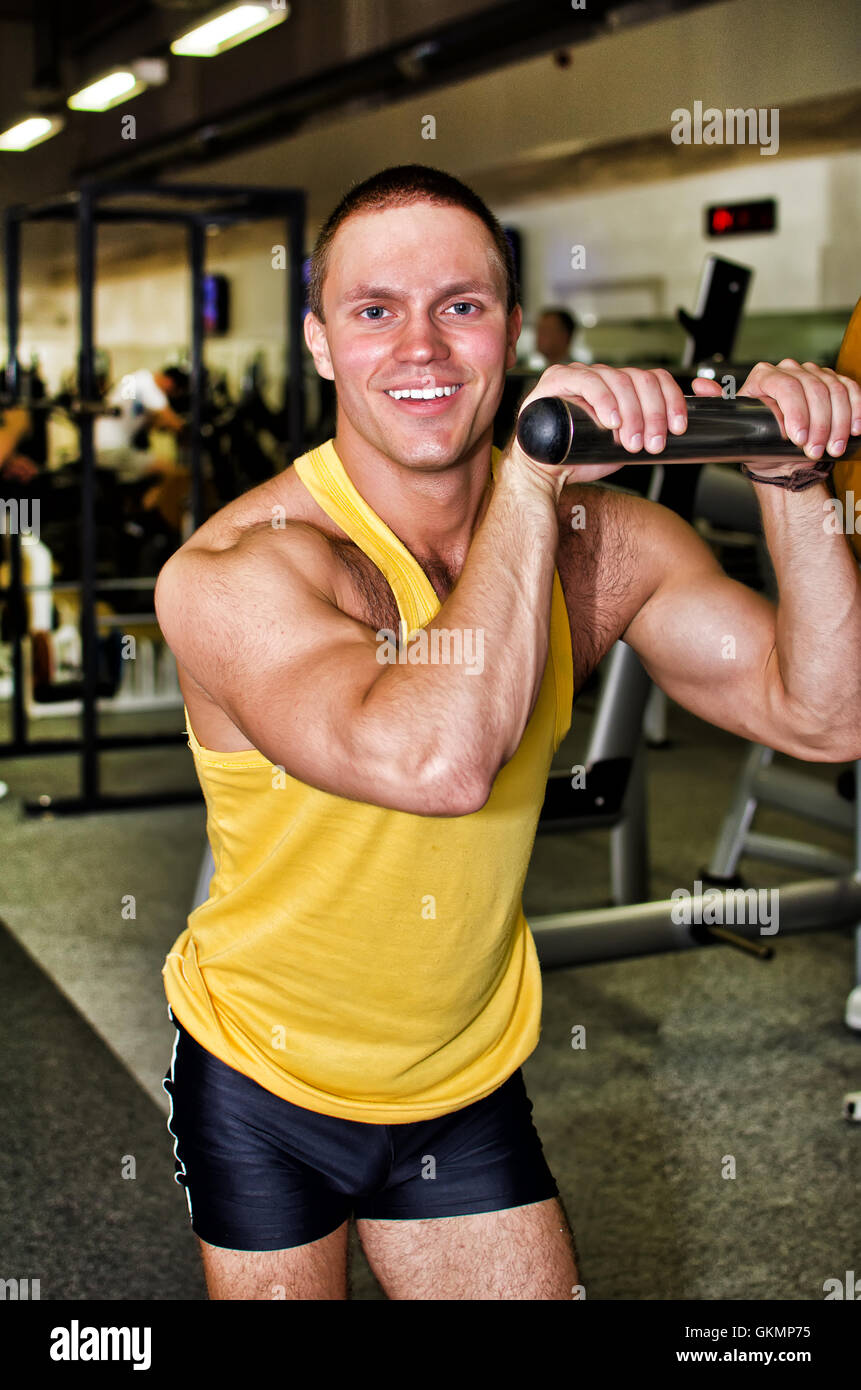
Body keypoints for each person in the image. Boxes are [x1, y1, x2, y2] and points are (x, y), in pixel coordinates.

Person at [154, 163, 861, 1301]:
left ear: (514, 331)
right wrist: (531, 482)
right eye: (375, 310)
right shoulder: (237, 571)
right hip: (264, 1075)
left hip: (465, 1072)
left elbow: (828, 714)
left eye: (462, 306)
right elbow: (437, 759)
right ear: (323, 343)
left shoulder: (602, 543)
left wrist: (792, 478)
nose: (422, 347)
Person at [94, 362, 188, 481]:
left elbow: (155, 423)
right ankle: (151, 501)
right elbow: (173, 422)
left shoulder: (138, 380)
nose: (170, 396)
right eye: (174, 392)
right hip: (111, 451)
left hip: (104, 449)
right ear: (169, 382)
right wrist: (189, 429)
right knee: (174, 472)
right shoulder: (147, 384)